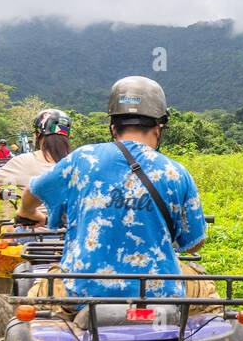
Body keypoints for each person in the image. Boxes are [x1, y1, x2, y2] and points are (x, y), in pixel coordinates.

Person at [20, 76, 206, 299]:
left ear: (113, 127)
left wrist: (27, 212)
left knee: (35, 303)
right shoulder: (176, 172)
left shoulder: (82, 158)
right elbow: (194, 243)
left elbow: (34, 190)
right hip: (160, 294)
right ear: (158, 128)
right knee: (210, 299)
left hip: (82, 292)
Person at [0, 109, 72, 221]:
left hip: (34, 230)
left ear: (38, 134)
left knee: (3, 231)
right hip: (74, 233)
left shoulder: (24, 161)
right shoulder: (79, 162)